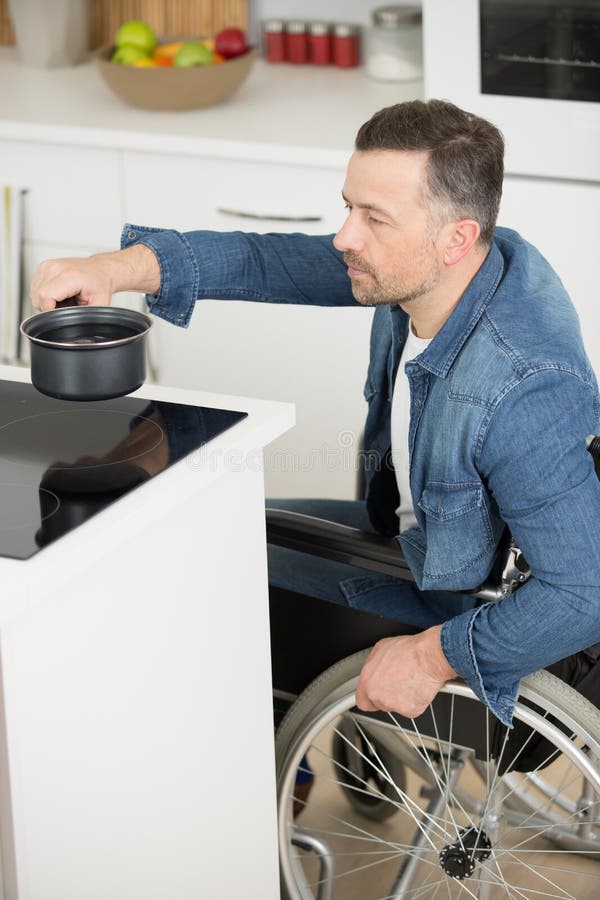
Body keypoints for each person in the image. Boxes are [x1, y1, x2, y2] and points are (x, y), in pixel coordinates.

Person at [30, 99, 600, 729]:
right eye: (348, 207)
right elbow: (271, 262)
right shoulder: (449, 264)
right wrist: (117, 268)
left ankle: (252, 773)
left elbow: (584, 592)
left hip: (463, 603)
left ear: (455, 238)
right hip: (417, 539)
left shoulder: (525, 386)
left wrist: (431, 658)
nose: (344, 237)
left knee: (200, 577)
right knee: (224, 531)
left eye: (374, 218)